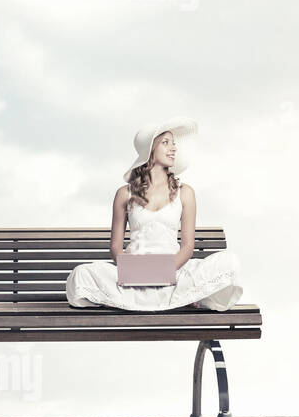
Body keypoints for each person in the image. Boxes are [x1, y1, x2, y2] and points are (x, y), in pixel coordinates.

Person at [65, 117, 244, 311]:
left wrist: (163, 272)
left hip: (174, 274)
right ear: (149, 150)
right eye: (166, 143)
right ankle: (171, 297)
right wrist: (135, 272)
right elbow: (116, 246)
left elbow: (188, 246)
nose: (173, 148)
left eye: (174, 144)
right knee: (81, 274)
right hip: (134, 277)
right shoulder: (124, 194)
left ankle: (181, 294)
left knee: (229, 261)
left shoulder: (185, 192)